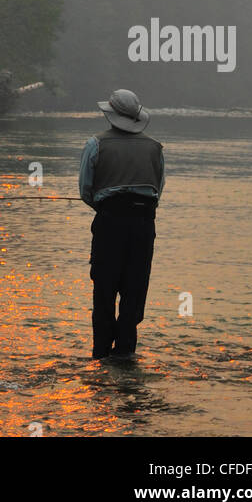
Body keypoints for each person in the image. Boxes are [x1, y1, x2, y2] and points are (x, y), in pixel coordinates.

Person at [78, 89, 164, 362]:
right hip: (143, 224)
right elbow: (157, 190)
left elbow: (85, 190)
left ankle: (101, 356)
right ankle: (125, 354)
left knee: (104, 290)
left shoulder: (96, 144)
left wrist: (108, 207)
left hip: (109, 222)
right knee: (134, 289)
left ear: (111, 115)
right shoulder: (155, 147)